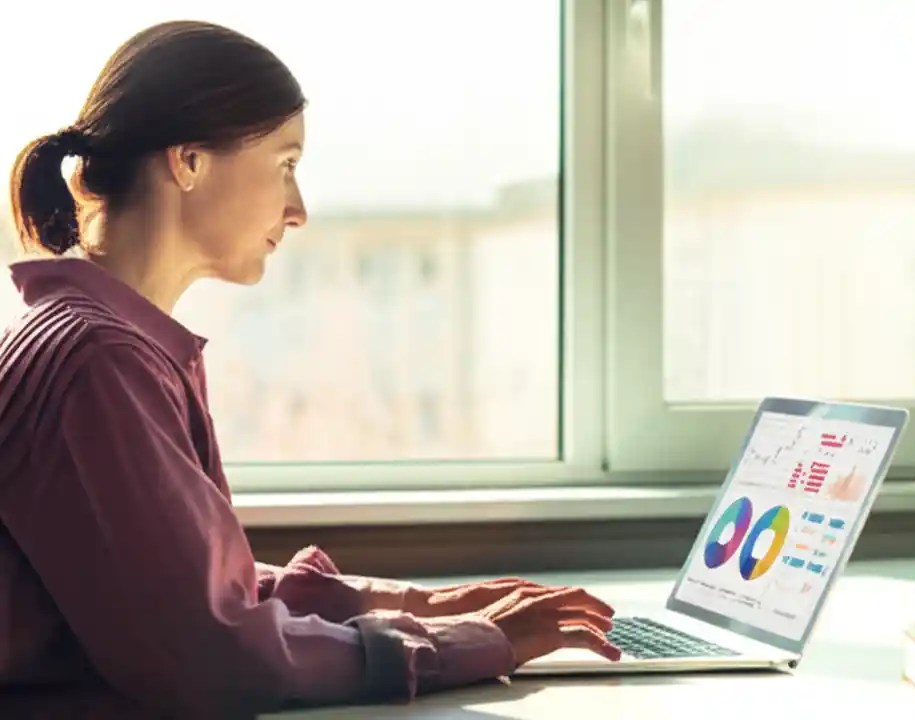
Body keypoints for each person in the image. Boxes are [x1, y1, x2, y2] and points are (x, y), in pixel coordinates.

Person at [0, 19, 620, 719]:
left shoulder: (91, 341)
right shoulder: (100, 363)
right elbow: (213, 655)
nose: (298, 210)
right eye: (285, 164)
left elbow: (180, 586)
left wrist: (417, 604)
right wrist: (465, 644)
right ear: (189, 161)